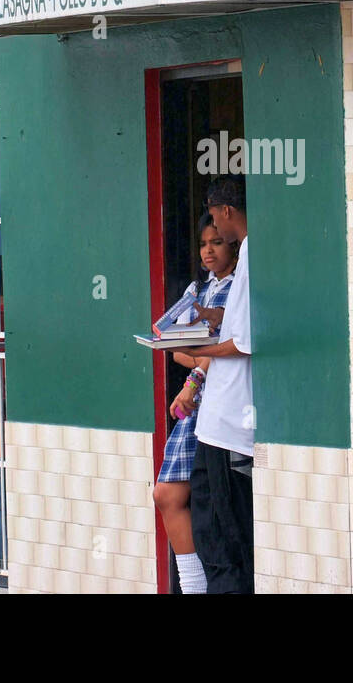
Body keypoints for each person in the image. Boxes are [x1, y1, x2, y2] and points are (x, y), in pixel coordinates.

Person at [154, 213, 238, 594]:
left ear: (233, 247)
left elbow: (226, 348)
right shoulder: (195, 291)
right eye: (204, 243)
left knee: (215, 506)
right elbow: (178, 351)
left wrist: (199, 367)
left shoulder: (238, 289)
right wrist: (204, 355)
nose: (208, 250)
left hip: (219, 405)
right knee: (167, 494)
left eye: (217, 242)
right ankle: (193, 586)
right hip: (195, 407)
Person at [183, 174, 254, 593]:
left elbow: (243, 343)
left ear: (225, 211)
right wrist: (213, 321)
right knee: (208, 523)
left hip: (232, 422)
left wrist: (195, 349)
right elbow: (238, 324)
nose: (214, 229)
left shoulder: (251, 256)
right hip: (213, 422)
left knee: (229, 537)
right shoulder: (246, 255)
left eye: (213, 217)